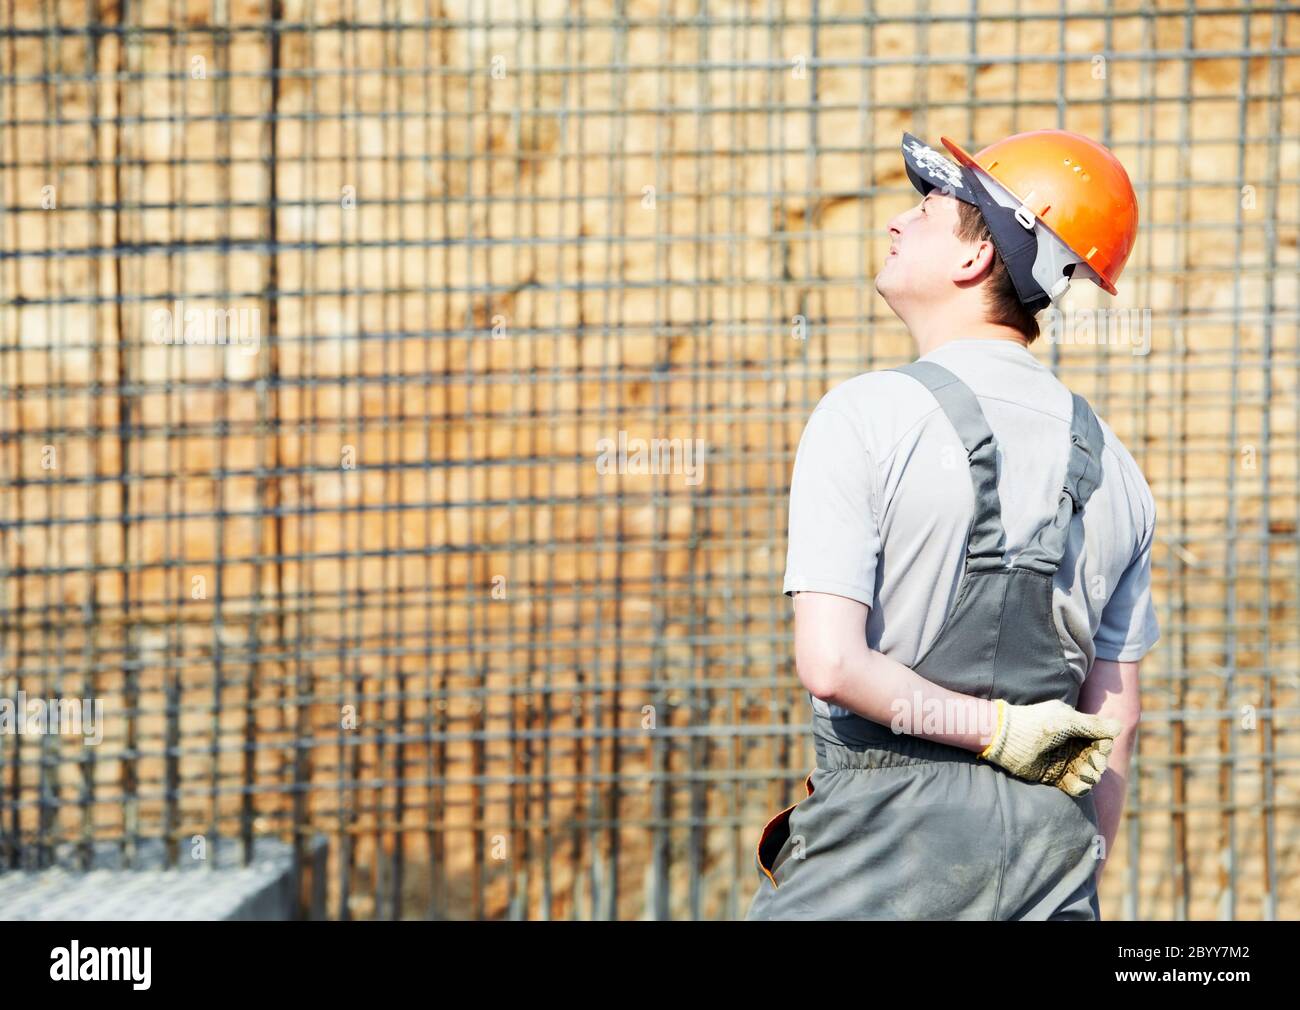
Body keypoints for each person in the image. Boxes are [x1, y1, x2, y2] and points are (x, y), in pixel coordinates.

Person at [745, 130, 1159, 920]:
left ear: (975, 261)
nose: (898, 222)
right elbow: (1117, 719)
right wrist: (1075, 881)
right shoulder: (1118, 468)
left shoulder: (864, 416)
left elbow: (832, 665)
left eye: (928, 208)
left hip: (875, 870)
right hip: (1051, 875)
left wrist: (995, 731)